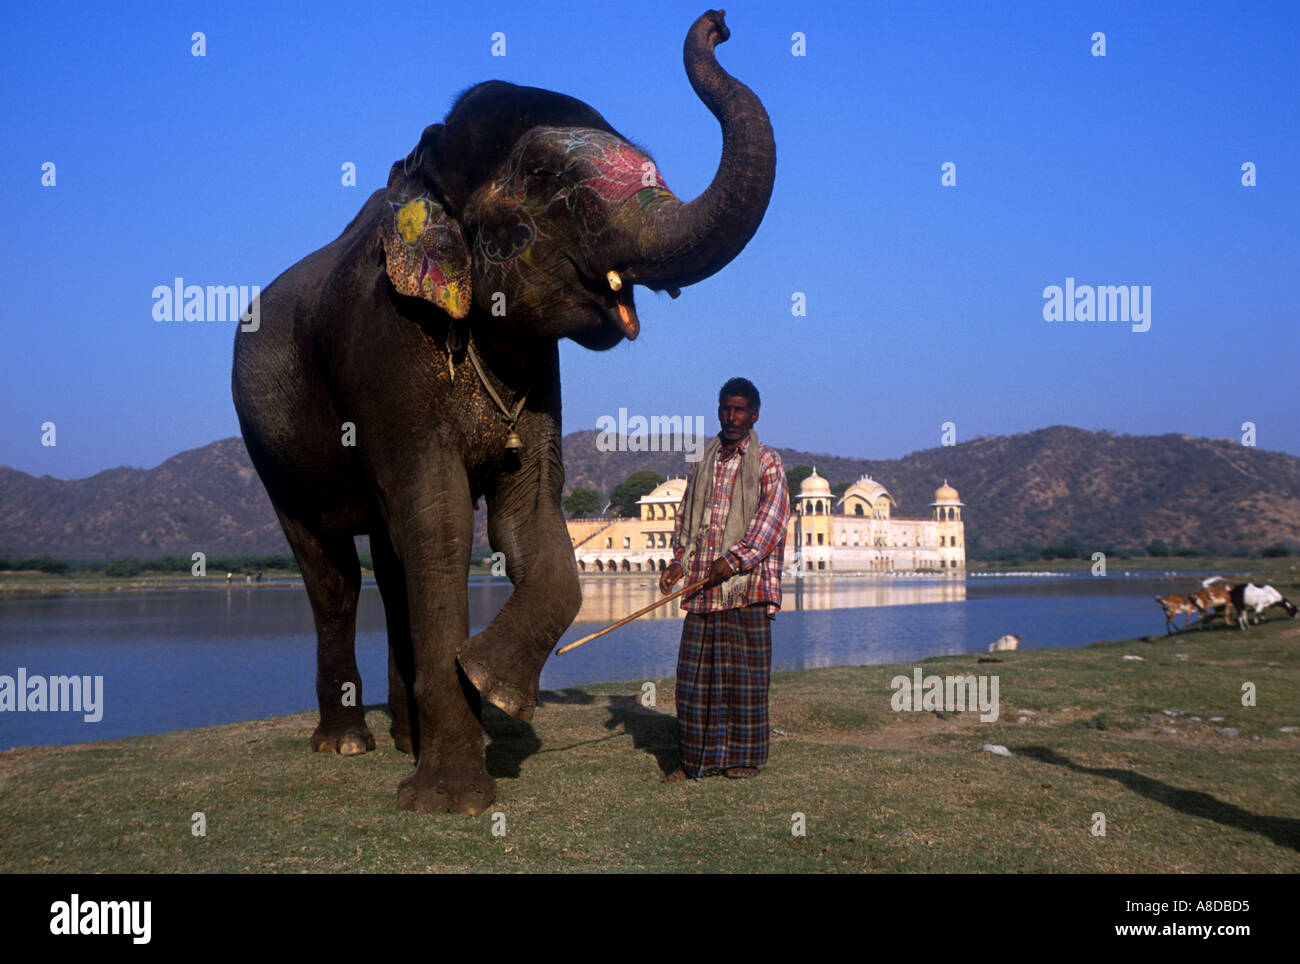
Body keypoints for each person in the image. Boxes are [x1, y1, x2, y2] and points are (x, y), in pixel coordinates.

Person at [660, 377, 789, 780]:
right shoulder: (704, 460)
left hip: (744, 589)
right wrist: (679, 562)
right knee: (695, 680)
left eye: (739, 410)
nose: (730, 417)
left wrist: (733, 561)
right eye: (725, 408)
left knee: (743, 680)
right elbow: (688, 521)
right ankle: (695, 760)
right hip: (703, 586)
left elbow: (773, 520)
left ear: (753, 415)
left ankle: (740, 759)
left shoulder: (767, 462)